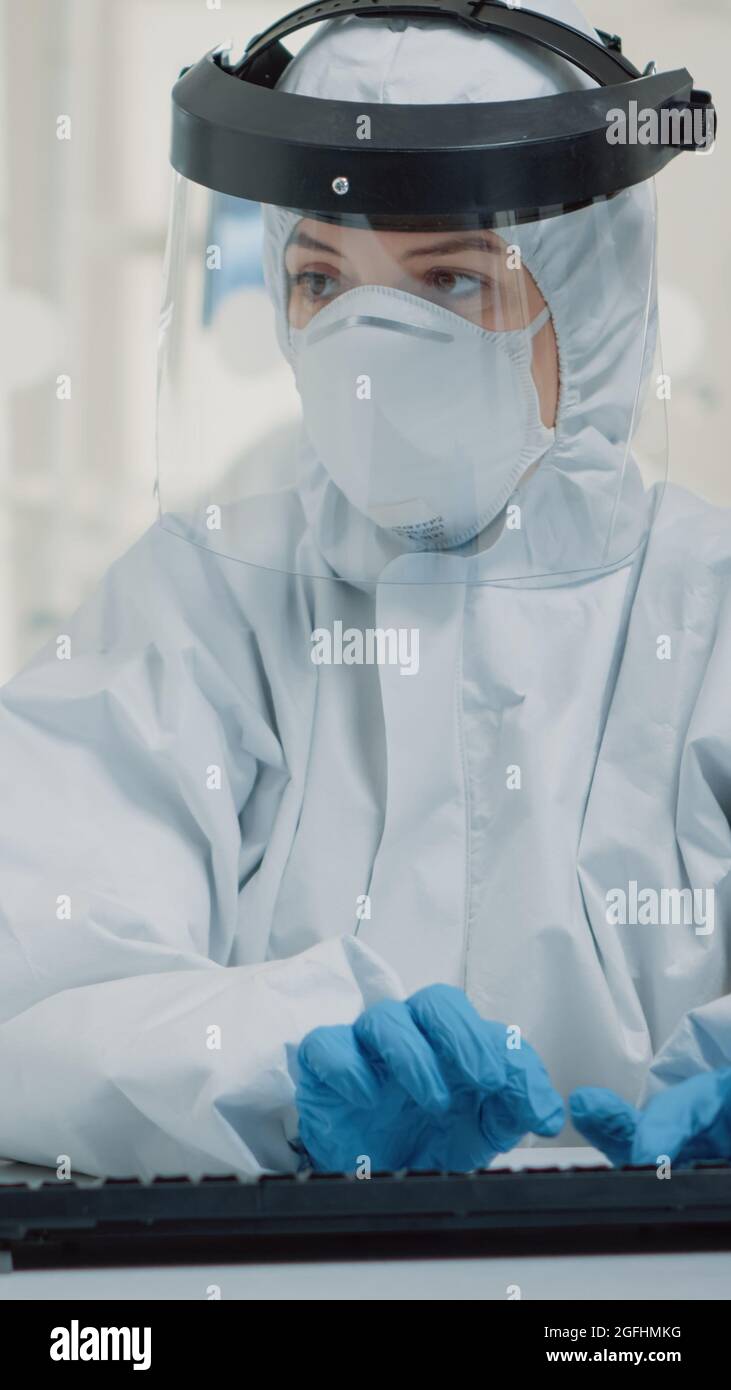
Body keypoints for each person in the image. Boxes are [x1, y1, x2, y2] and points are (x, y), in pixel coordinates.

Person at [0, 0, 727, 1179]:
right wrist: (278, 1068)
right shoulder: (204, 603)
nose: (367, 349)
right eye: (320, 279)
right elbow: (27, 969)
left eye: (447, 281)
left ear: (587, 302)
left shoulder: (706, 616)